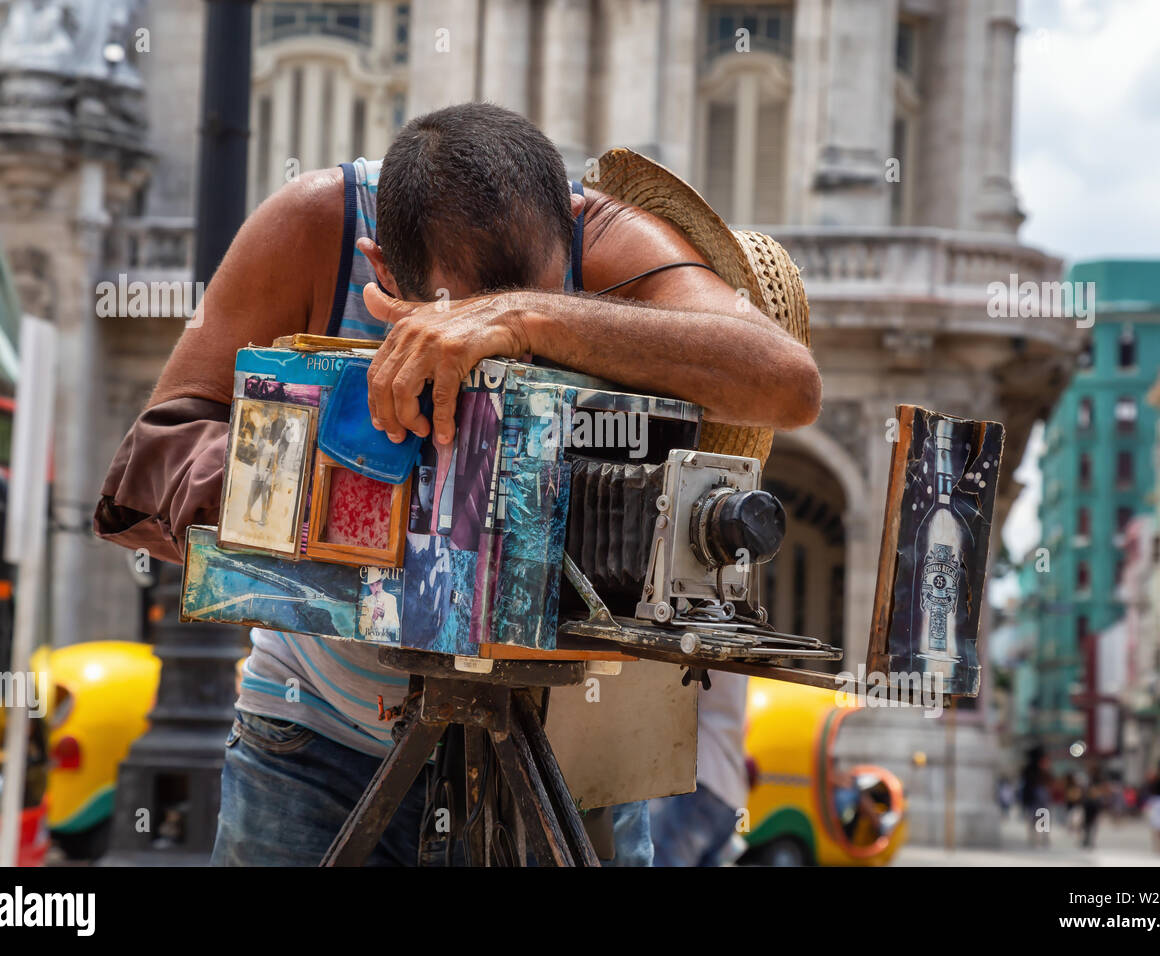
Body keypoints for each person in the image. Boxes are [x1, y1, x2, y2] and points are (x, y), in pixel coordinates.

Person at [94, 102, 821, 866]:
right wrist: (335, 484)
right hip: (319, 747)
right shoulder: (315, 225)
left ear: (572, 225)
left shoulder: (610, 240)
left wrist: (527, 318)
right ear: (380, 267)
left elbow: (786, 383)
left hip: (567, 753)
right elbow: (154, 454)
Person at [650, 672, 748, 867]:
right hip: (731, 790)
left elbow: (672, 688)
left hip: (704, 776)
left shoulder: (711, 646)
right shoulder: (743, 653)